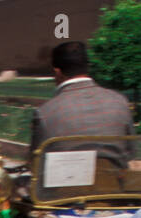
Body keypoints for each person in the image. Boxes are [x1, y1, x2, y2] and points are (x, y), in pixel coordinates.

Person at [29, 41, 135, 175]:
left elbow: (36, 164)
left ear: (57, 72)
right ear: (87, 67)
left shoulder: (44, 112)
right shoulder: (120, 102)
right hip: (114, 191)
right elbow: (131, 152)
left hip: (66, 194)